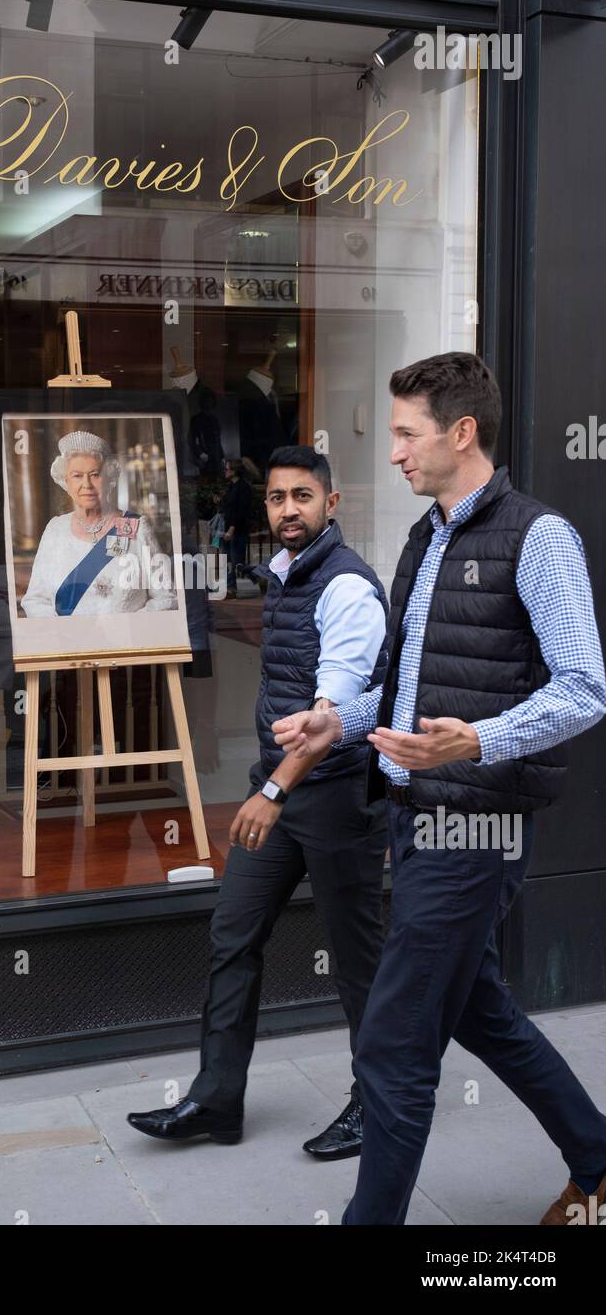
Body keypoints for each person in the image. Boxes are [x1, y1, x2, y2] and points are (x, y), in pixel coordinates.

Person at [273, 352, 606, 1225]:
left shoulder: (540, 538)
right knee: (481, 1011)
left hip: (479, 827)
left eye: (405, 434)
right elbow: (402, 683)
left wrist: (478, 741)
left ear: (461, 434)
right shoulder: (428, 535)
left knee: (392, 1039)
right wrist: (336, 723)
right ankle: (601, 1162)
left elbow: (585, 687)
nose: (394, 453)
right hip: (417, 818)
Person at [126, 445, 390, 1156]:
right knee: (232, 936)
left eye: (303, 497)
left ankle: (379, 1106)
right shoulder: (280, 575)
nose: (288, 510)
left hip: (334, 798)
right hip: (278, 791)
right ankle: (217, 1101)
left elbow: (332, 717)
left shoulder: (347, 589)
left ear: (332, 504)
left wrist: (273, 789)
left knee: (356, 959)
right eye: (277, 498)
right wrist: (271, 786)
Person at [21, 430, 176, 617]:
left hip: (126, 643)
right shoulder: (55, 529)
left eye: (95, 474)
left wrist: (128, 630)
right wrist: (62, 634)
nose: (86, 484)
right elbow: (35, 600)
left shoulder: (137, 527)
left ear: (109, 479)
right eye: (77, 475)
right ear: (66, 481)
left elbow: (166, 598)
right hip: (70, 643)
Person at [218, 458, 253, 597]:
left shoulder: (243, 487)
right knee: (228, 560)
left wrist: (232, 529)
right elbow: (229, 508)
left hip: (237, 529)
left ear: (234, 471)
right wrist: (220, 501)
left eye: (227, 469)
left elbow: (241, 511)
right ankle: (230, 588)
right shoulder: (231, 486)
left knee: (237, 561)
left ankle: (258, 576)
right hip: (227, 528)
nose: (225, 471)